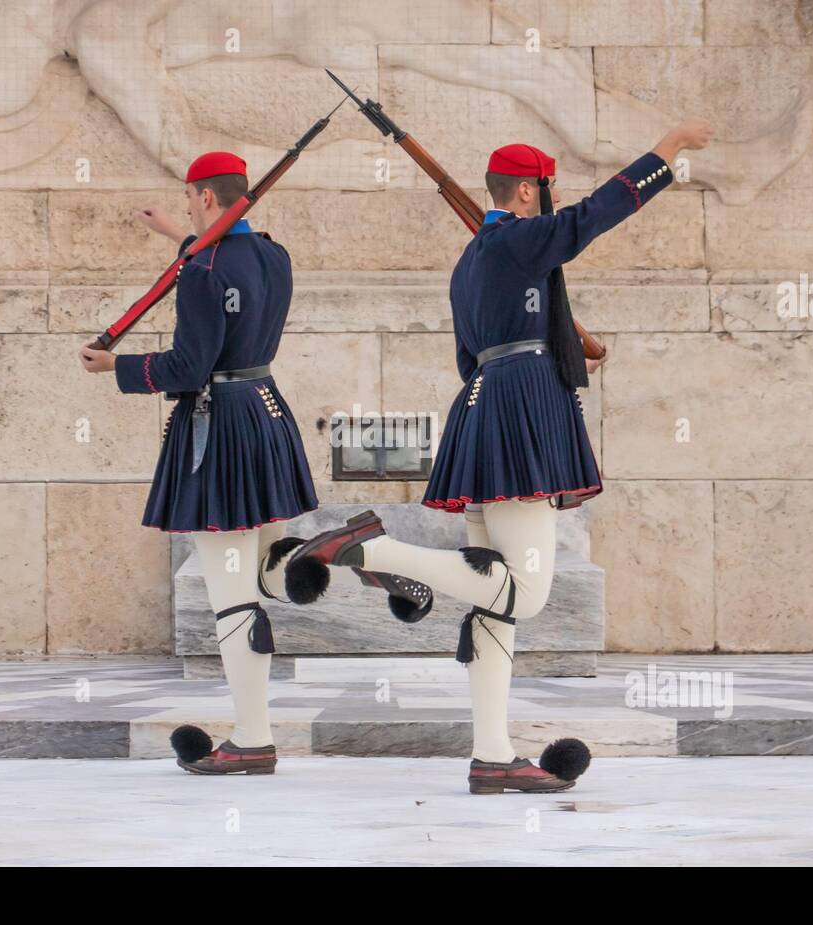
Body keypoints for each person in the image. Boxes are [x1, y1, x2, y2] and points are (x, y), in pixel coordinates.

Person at [286, 120, 714, 794]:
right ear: (524, 192)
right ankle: (368, 550)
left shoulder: (475, 260)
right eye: (545, 191)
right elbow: (594, 216)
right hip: (520, 411)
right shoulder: (520, 238)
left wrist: (551, 349)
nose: (551, 204)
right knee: (527, 588)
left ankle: (492, 755)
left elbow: (472, 353)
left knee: (496, 601)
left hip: (484, 402)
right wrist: (667, 150)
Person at [80, 151, 431, 775]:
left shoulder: (201, 271)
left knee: (234, 598)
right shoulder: (274, 255)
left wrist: (120, 367)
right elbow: (229, 274)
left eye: (191, 200)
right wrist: (178, 237)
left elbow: (189, 367)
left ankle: (251, 740)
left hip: (220, 427)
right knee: (270, 573)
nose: (189, 208)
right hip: (266, 410)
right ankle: (349, 549)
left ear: (208, 199)